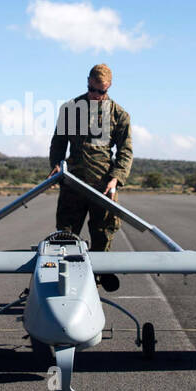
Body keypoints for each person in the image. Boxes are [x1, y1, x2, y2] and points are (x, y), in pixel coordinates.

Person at [48, 63, 133, 252]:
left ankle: (98, 279)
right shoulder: (70, 110)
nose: (95, 95)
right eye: (91, 89)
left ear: (109, 86)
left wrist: (116, 178)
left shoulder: (119, 115)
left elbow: (125, 151)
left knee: (102, 236)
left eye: (100, 91)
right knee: (65, 236)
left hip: (103, 187)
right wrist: (56, 165)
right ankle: (66, 279)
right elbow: (58, 143)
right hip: (73, 184)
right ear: (87, 82)